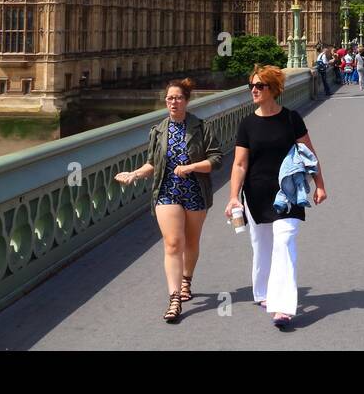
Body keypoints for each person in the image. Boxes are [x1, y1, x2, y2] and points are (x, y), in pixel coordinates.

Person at [224, 65, 327, 327]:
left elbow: (309, 154)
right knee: (262, 245)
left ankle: (282, 306)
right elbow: (239, 164)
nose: (254, 91)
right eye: (251, 86)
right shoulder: (247, 124)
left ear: (274, 89)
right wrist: (233, 197)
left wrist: (320, 185)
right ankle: (262, 291)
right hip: (256, 193)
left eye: (260, 86)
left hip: (289, 191)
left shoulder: (291, 119)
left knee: (284, 243)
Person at [114, 78, 221, 324]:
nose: (173, 102)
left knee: (191, 242)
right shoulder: (158, 130)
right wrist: (135, 174)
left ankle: (186, 280)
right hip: (167, 191)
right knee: (173, 243)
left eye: (178, 98)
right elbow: (153, 163)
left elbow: (216, 159)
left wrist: (191, 166)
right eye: (170, 98)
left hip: (195, 190)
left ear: (186, 100)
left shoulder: (202, 127)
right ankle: (174, 298)